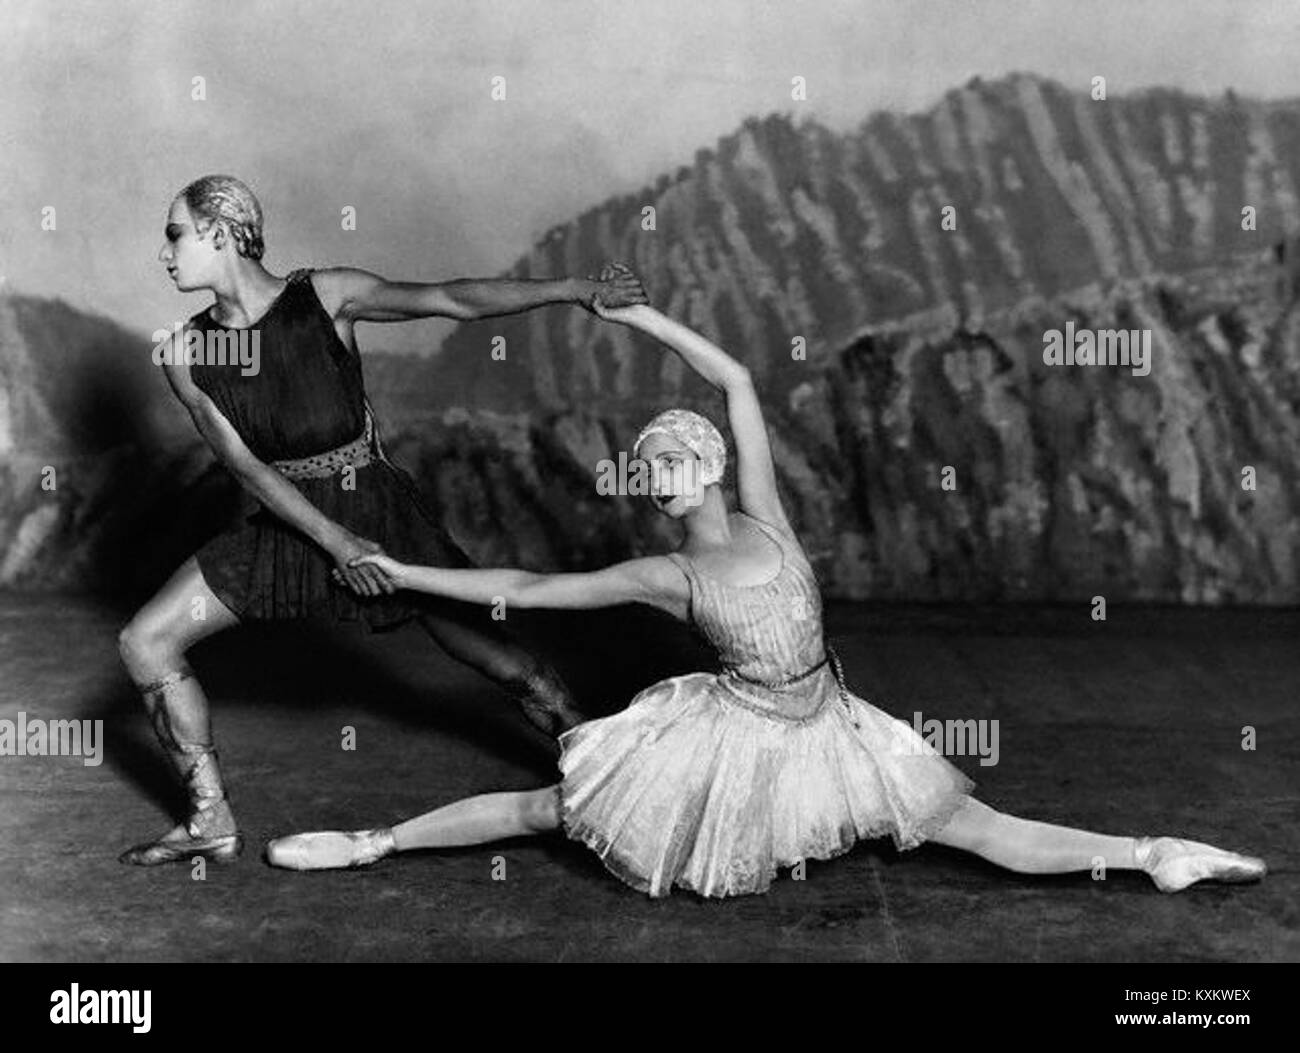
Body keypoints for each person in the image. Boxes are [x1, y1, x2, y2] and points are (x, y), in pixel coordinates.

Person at [265, 285, 1268, 898]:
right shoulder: (664, 574)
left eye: (658, 465)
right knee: (556, 808)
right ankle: (373, 843)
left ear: (699, 469)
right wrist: (404, 571)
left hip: (831, 719)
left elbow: (740, 383)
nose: (645, 479)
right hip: (729, 733)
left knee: (980, 828)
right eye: (644, 467)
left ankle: (1152, 853)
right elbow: (524, 587)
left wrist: (643, 316)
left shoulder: (764, 516)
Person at [118, 175, 647, 867]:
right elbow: (249, 469)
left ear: (220, 232)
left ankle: (624, 783)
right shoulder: (186, 354)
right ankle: (209, 819)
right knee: (144, 641)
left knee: (500, 659)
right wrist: (336, 543)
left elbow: (452, 299)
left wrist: (577, 288)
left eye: (175, 233)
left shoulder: (326, 296)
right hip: (291, 528)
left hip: (379, 515)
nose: (165, 254)